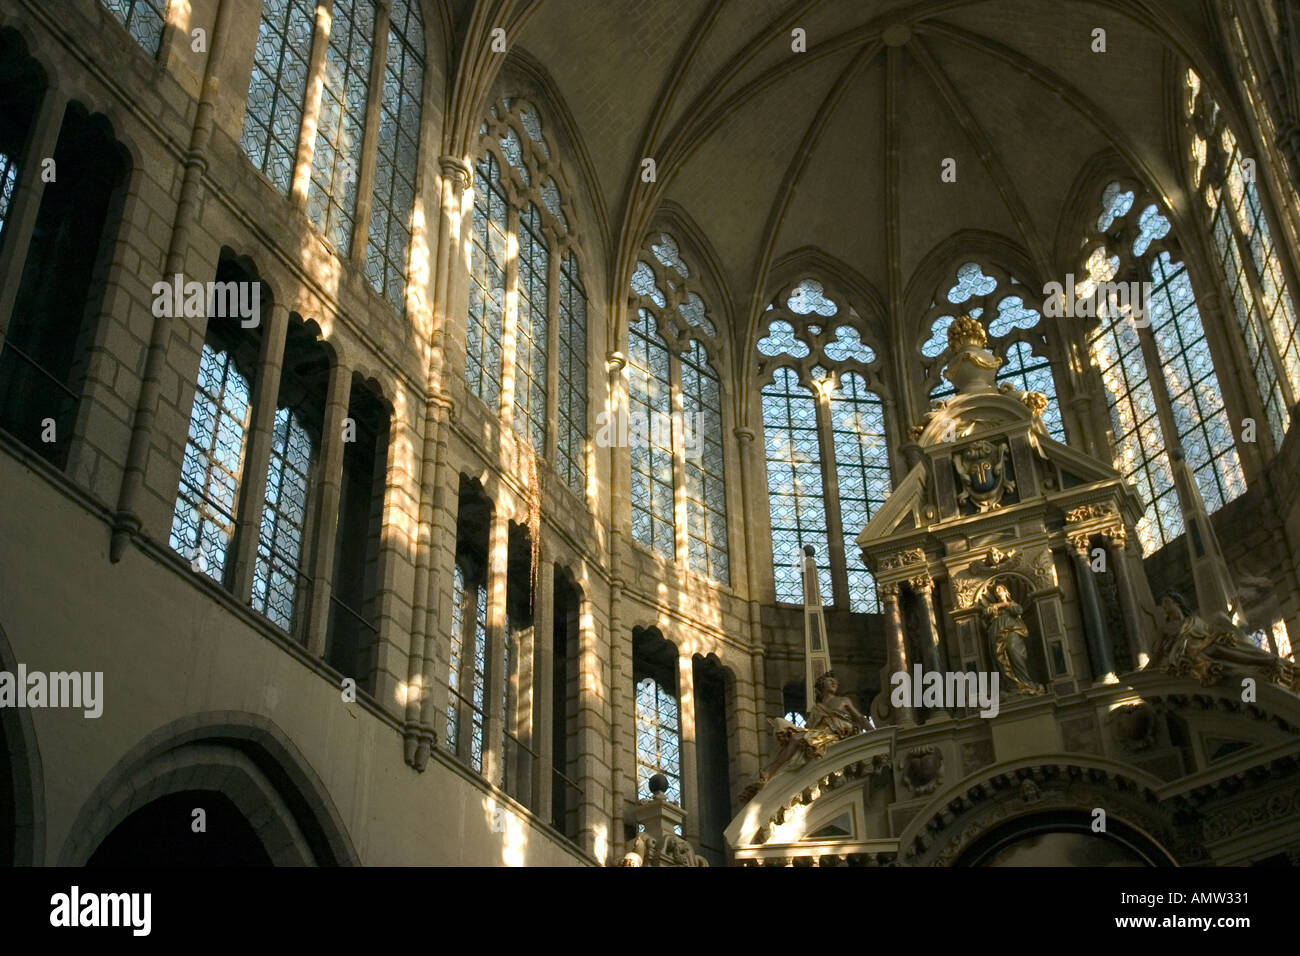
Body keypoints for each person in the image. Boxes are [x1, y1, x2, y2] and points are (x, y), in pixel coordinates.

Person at [739, 671, 869, 800]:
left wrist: (872, 730)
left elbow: (860, 719)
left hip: (837, 735)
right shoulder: (817, 709)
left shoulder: (843, 700)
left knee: (797, 738)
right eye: (830, 681)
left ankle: (769, 773)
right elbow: (809, 728)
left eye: (835, 681)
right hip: (820, 735)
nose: (834, 682)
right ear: (821, 686)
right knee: (790, 733)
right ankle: (769, 774)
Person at [1151, 591, 1298, 691]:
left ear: (1176, 603)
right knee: (1211, 648)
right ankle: (1266, 661)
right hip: (1185, 655)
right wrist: (1145, 672)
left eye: (1166, 602)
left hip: (1203, 645)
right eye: (1163, 604)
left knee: (1221, 643)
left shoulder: (1194, 619)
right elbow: (1157, 651)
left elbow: (1211, 631)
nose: (1164, 606)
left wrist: (1230, 614)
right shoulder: (1165, 628)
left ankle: (1268, 660)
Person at [984, 583, 1046, 695]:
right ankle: (1011, 685)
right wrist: (994, 607)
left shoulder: (1012, 604)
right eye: (995, 590)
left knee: (1014, 651)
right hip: (996, 634)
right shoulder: (993, 605)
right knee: (1000, 657)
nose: (997, 591)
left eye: (1000, 589)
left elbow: (1018, 610)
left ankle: (1024, 682)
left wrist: (1003, 604)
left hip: (1012, 631)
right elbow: (985, 612)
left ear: (1006, 591)